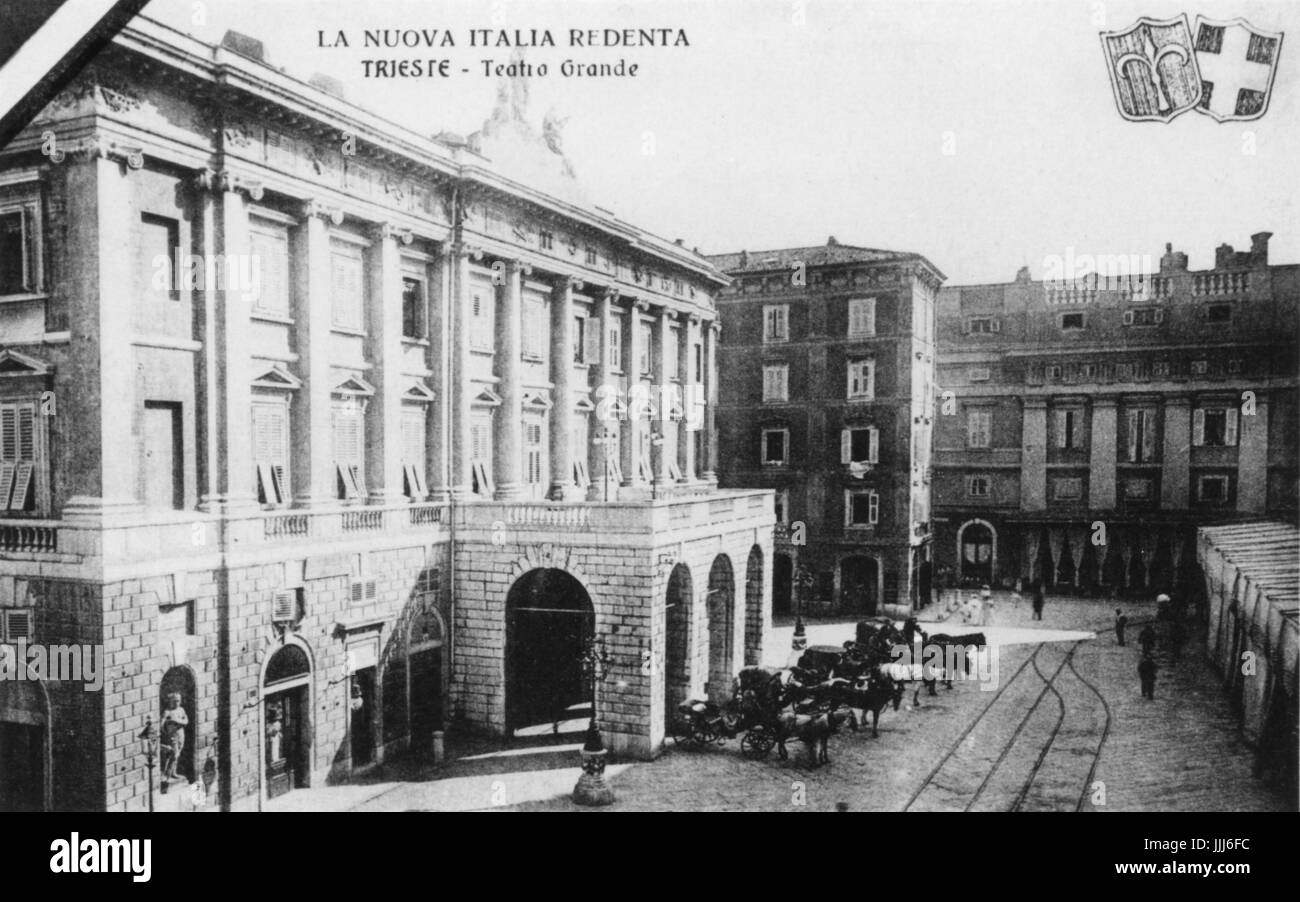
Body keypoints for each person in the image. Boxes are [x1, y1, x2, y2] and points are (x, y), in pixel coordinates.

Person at [159, 692, 189, 784]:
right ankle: (166, 775)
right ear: (170, 701)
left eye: (178, 701)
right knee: (174, 754)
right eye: (174, 701)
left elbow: (186, 721)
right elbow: (161, 724)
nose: (177, 703)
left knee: (178, 753)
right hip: (172, 736)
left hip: (181, 734)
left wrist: (175, 720)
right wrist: (166, 731)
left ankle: (173, 773)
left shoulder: (181, 710)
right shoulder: (167, 711)